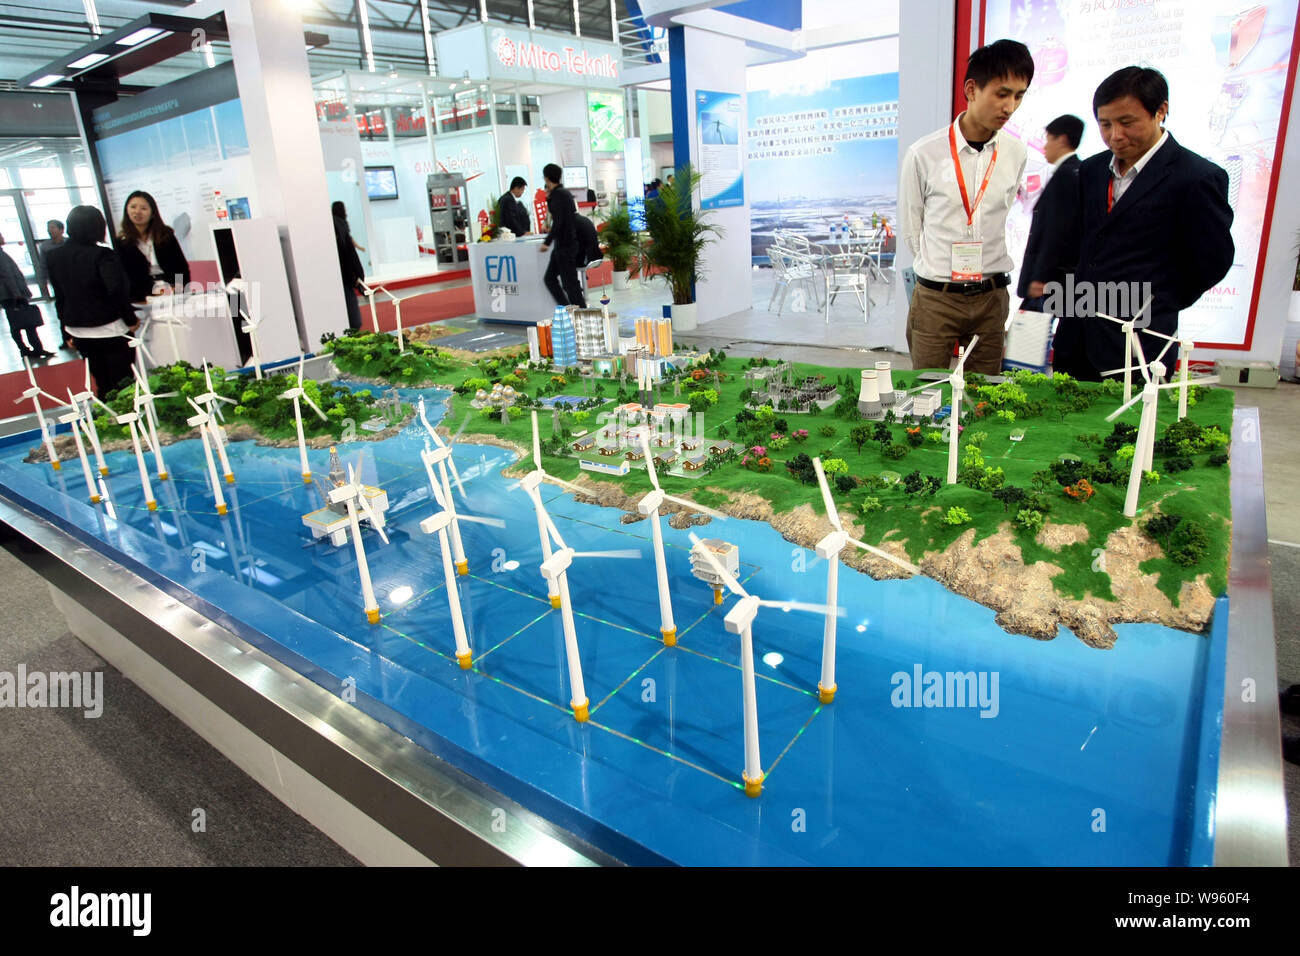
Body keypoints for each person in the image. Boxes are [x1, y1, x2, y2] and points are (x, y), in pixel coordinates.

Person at [1051, 67, 1234, 380]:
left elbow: (1213, 260)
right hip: (1076, 335)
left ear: (1160, 111)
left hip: (1141, 341)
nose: (1115, 135)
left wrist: (1160, 300)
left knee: (1134, 426)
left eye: (1126, 122)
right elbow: (1080, 246)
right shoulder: (1092, 170)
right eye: (1105, 124)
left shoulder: (1196, 177)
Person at [899, 38, 1033, 373]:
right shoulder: (924, 153)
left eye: (1019, 95)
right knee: (928, 391)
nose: (1010, 106)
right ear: (971, 90)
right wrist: (940, 269)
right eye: (1002, 94)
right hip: (936, 298)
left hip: (991, 296)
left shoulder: (1016, 153)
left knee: (984, 395)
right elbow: (912, 227)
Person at [46, 206, 138, 398]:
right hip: (109, 328)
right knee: (124, 384)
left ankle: (109, 421)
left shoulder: (54, 256)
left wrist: (65, 331)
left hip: (78, 329)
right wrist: (130, 319)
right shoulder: (103, 255)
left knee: (102, 383)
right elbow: (116, 291)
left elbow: (60, 296)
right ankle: (131, 423)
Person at [1017, 114, 1084, 312]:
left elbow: (1056, 232)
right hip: (1061, 280)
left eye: (1048, 139)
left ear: (1061, 139)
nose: (1044, 147)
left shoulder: (1065, 175)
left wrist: (1040, 276)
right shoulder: (1077, 172)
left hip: (1047, 283)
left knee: (1030, 339)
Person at [114, 191, 190, 303]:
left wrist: (179, 291)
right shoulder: (121, 242)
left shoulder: (165, 235)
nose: (137, 212)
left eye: (143, 208)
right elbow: (126, 278)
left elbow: (181, 268)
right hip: (141, 297)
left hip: (171, 292)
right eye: (133, 207)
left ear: (152, 212)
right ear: (127, 210)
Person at [539, 163, 586, 308]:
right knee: (550, 279)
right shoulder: (563, 194)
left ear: (546, 178)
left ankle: (580, 313)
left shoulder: (559, 195)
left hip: (565, 246)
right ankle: (568, 309)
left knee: (570, 284)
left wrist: (547, 242)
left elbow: (558, 222)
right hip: (565, 244)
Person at [0, 233, 53, 358]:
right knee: (23, 323)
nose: (3, 238)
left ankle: (31, 348)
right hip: (11, 296)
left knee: (18, 322)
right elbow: (7, 275)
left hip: (9, 295)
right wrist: (17, 293)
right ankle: (31, 349)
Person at [333, 203, 366, 331]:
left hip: (343, 275)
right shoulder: (340, 225)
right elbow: (349, 251)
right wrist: (358, 273)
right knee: (352, 314)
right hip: (345, 275)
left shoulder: (337, 225)